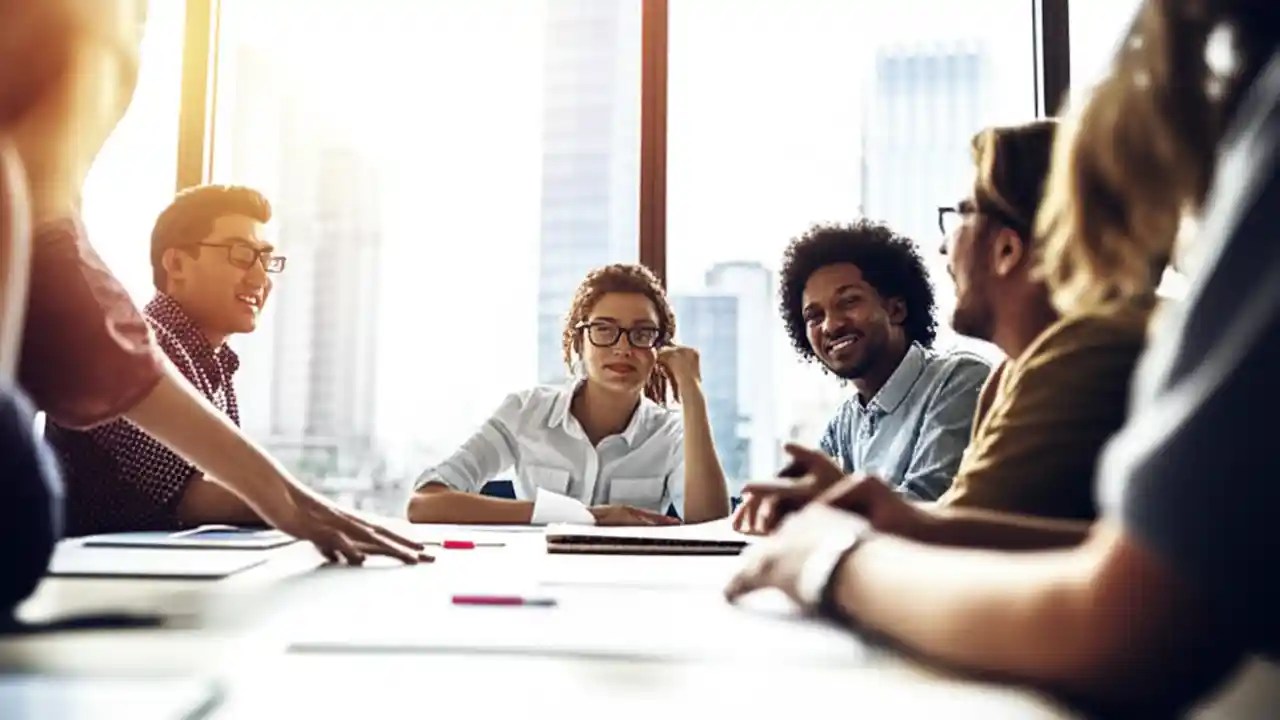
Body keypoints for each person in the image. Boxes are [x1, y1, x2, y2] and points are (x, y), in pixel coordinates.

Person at [725, 1, 1280, 714]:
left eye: (959, 215)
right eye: (812, 315)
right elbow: (1130, 551)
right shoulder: (1013, 372)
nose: (943, 242)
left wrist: (831, 558)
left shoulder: (1081, 349)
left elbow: (1132, 616)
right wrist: (906, 522)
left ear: (1010, 246)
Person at [2, 0, 426, 567]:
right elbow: (187, 487)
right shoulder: (62, 260)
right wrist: (310, 508)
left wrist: (303, 505)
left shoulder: (47, 237)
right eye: (239, 254)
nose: (258, 275)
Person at [408, 263, 730, 526]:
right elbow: (424, 502)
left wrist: (691, 389)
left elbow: (711, 525)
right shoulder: (525, 412)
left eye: (642, 333)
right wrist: (582, 517)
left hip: (634, 581)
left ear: (659, 348)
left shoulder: (670, 433)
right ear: (579, 341)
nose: (623, 347)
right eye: (604, 329)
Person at [45, 185, 284, 535]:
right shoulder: (134, 347)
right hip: (96, 563)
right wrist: (317, 510)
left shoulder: (214, 363)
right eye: (241, 254)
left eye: (266, 259)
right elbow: (189, 497)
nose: (261, 277)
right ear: (177, 264)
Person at [773, 221, 990, 501]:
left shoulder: (959, 381)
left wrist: (827, 500)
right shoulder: (844, 422)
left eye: (849, 302)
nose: (830, 325)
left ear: (896, 309)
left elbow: (931, 505)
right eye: (814, 316)